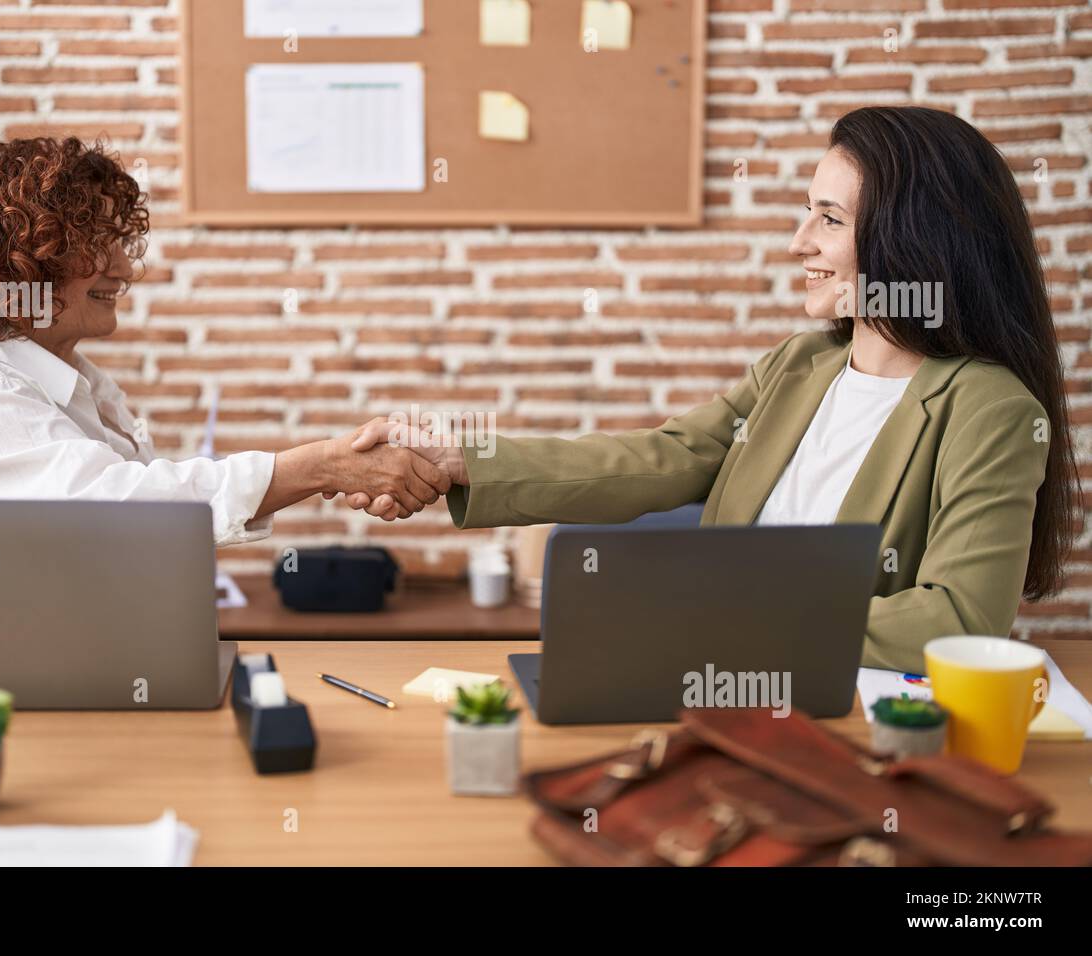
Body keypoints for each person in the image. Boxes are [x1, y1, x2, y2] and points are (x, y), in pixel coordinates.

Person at [348, 106, 1080, 673]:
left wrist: (727, 629)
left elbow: (956, 621)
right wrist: (459, 459)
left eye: (830, 218)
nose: (799, 242)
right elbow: (662, 457)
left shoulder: (989, 409)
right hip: (714, 694)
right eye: (808, 212)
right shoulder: (798, 367)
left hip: (851, 719)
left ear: (913, 236)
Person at [0, 137, 448, 545]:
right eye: (94, 245)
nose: (122, 269)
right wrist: (322, 466)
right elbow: (127, 513)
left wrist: (329, 466)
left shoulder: (81, 385)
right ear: (22, 266)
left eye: (118, 242)